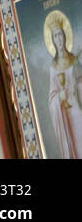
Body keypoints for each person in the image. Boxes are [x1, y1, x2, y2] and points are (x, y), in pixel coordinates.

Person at [45, 10, 82, 157]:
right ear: (53, 40)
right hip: (67, 118)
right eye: (55, 36)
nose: (58, 39)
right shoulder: (53, 69)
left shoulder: (74, 60)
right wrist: (59, 97)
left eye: (60, 34)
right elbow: (51, 98)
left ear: (64, 36)